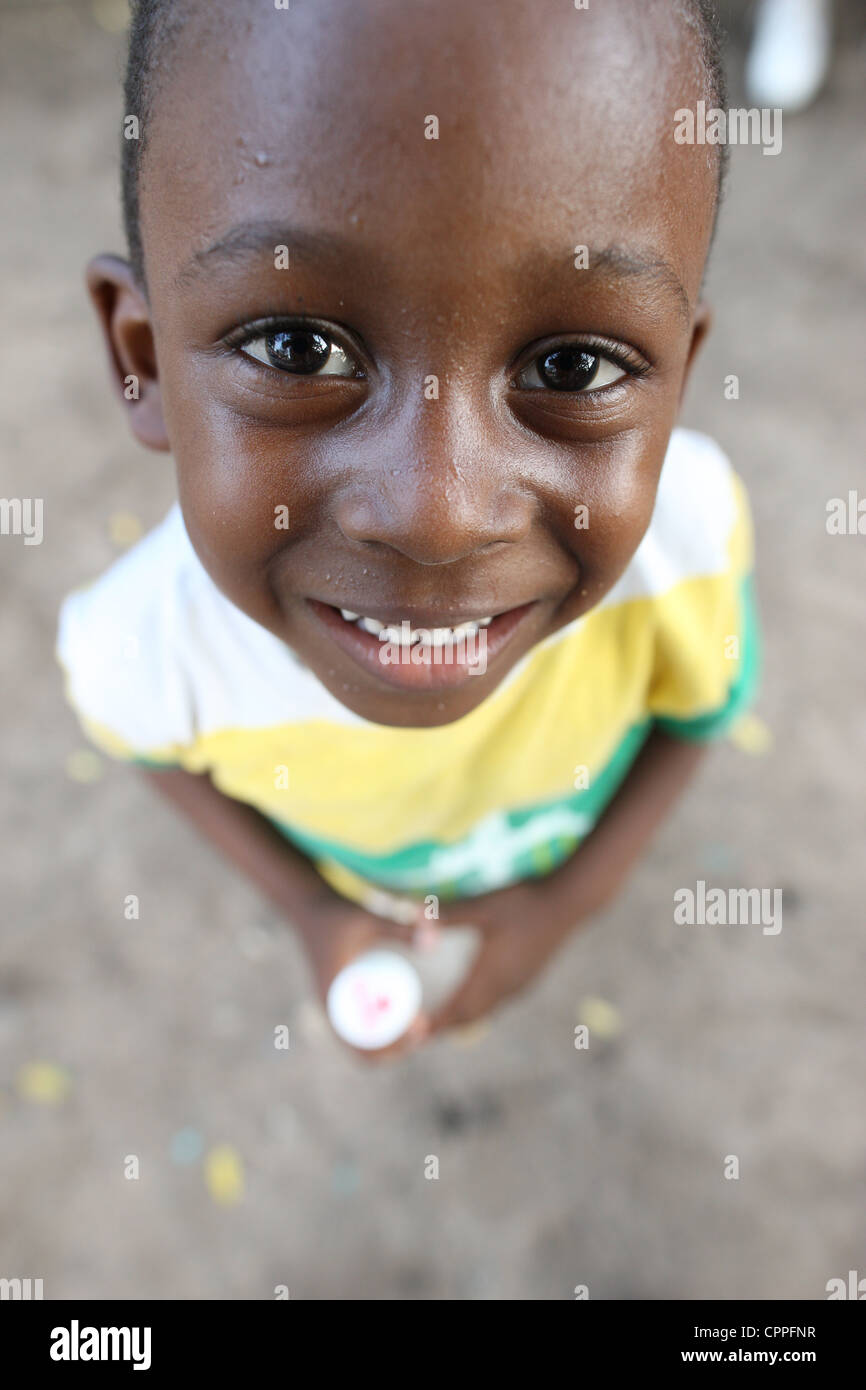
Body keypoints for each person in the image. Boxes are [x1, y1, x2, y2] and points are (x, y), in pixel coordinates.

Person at [57, 0, 759, 1055]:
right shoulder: (141, 652)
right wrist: (310, 907)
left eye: (573, 366)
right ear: (143, 360)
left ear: (679, 381)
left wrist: (561, 906)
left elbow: (698, 715)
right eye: (295, 348)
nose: (436, 515)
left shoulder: (689, 548)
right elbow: (152, 751)